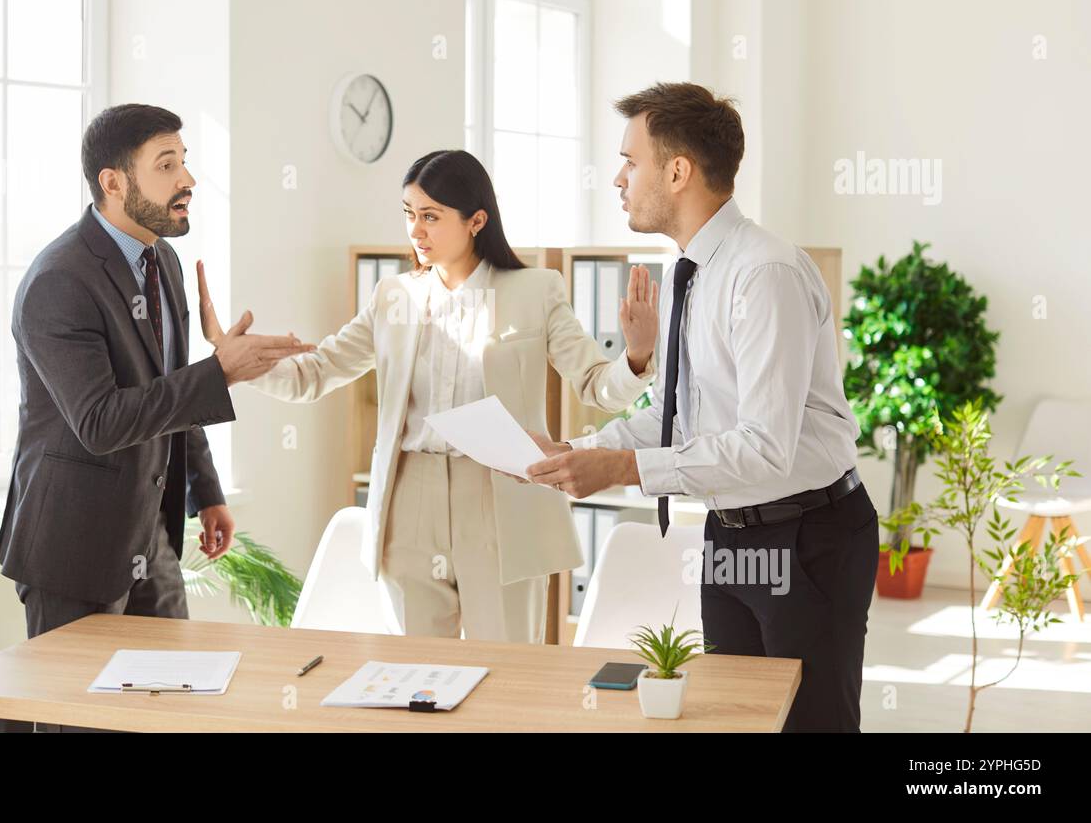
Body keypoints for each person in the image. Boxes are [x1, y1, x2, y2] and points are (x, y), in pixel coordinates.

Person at [525, 82, 877, 732]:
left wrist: (624, 471)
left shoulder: (763, 273)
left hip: (810, 535)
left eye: (631, 161)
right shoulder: (691, 273)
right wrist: (578, 453)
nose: (617, 178)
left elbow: (765, 447)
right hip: (730, 531)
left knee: (812, 723)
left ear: (678, 171)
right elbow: (675, 415)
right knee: (730, 719)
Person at [197, 149, 658, 643]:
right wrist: (235, 361)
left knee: (504, 668)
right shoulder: (393, 297)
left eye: (432, 217)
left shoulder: (536, 290)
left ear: (476, 220)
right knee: (417, 674)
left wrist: (636, 355)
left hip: (500, 493)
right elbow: (316, 373)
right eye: (409, 215)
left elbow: (596, 385)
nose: (416, 231)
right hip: (409, 499)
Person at [0, 103, 312, 731]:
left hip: (151, 541)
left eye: (184, 161)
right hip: (72, 548)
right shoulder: (59, 281)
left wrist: (206, 490)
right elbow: (103, 421)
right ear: (114, 183)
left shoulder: (161, 261)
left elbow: (167, 390)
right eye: (166, 165)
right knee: (71, 722)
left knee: (168, 711)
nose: (187, 179)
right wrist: (221, 372)